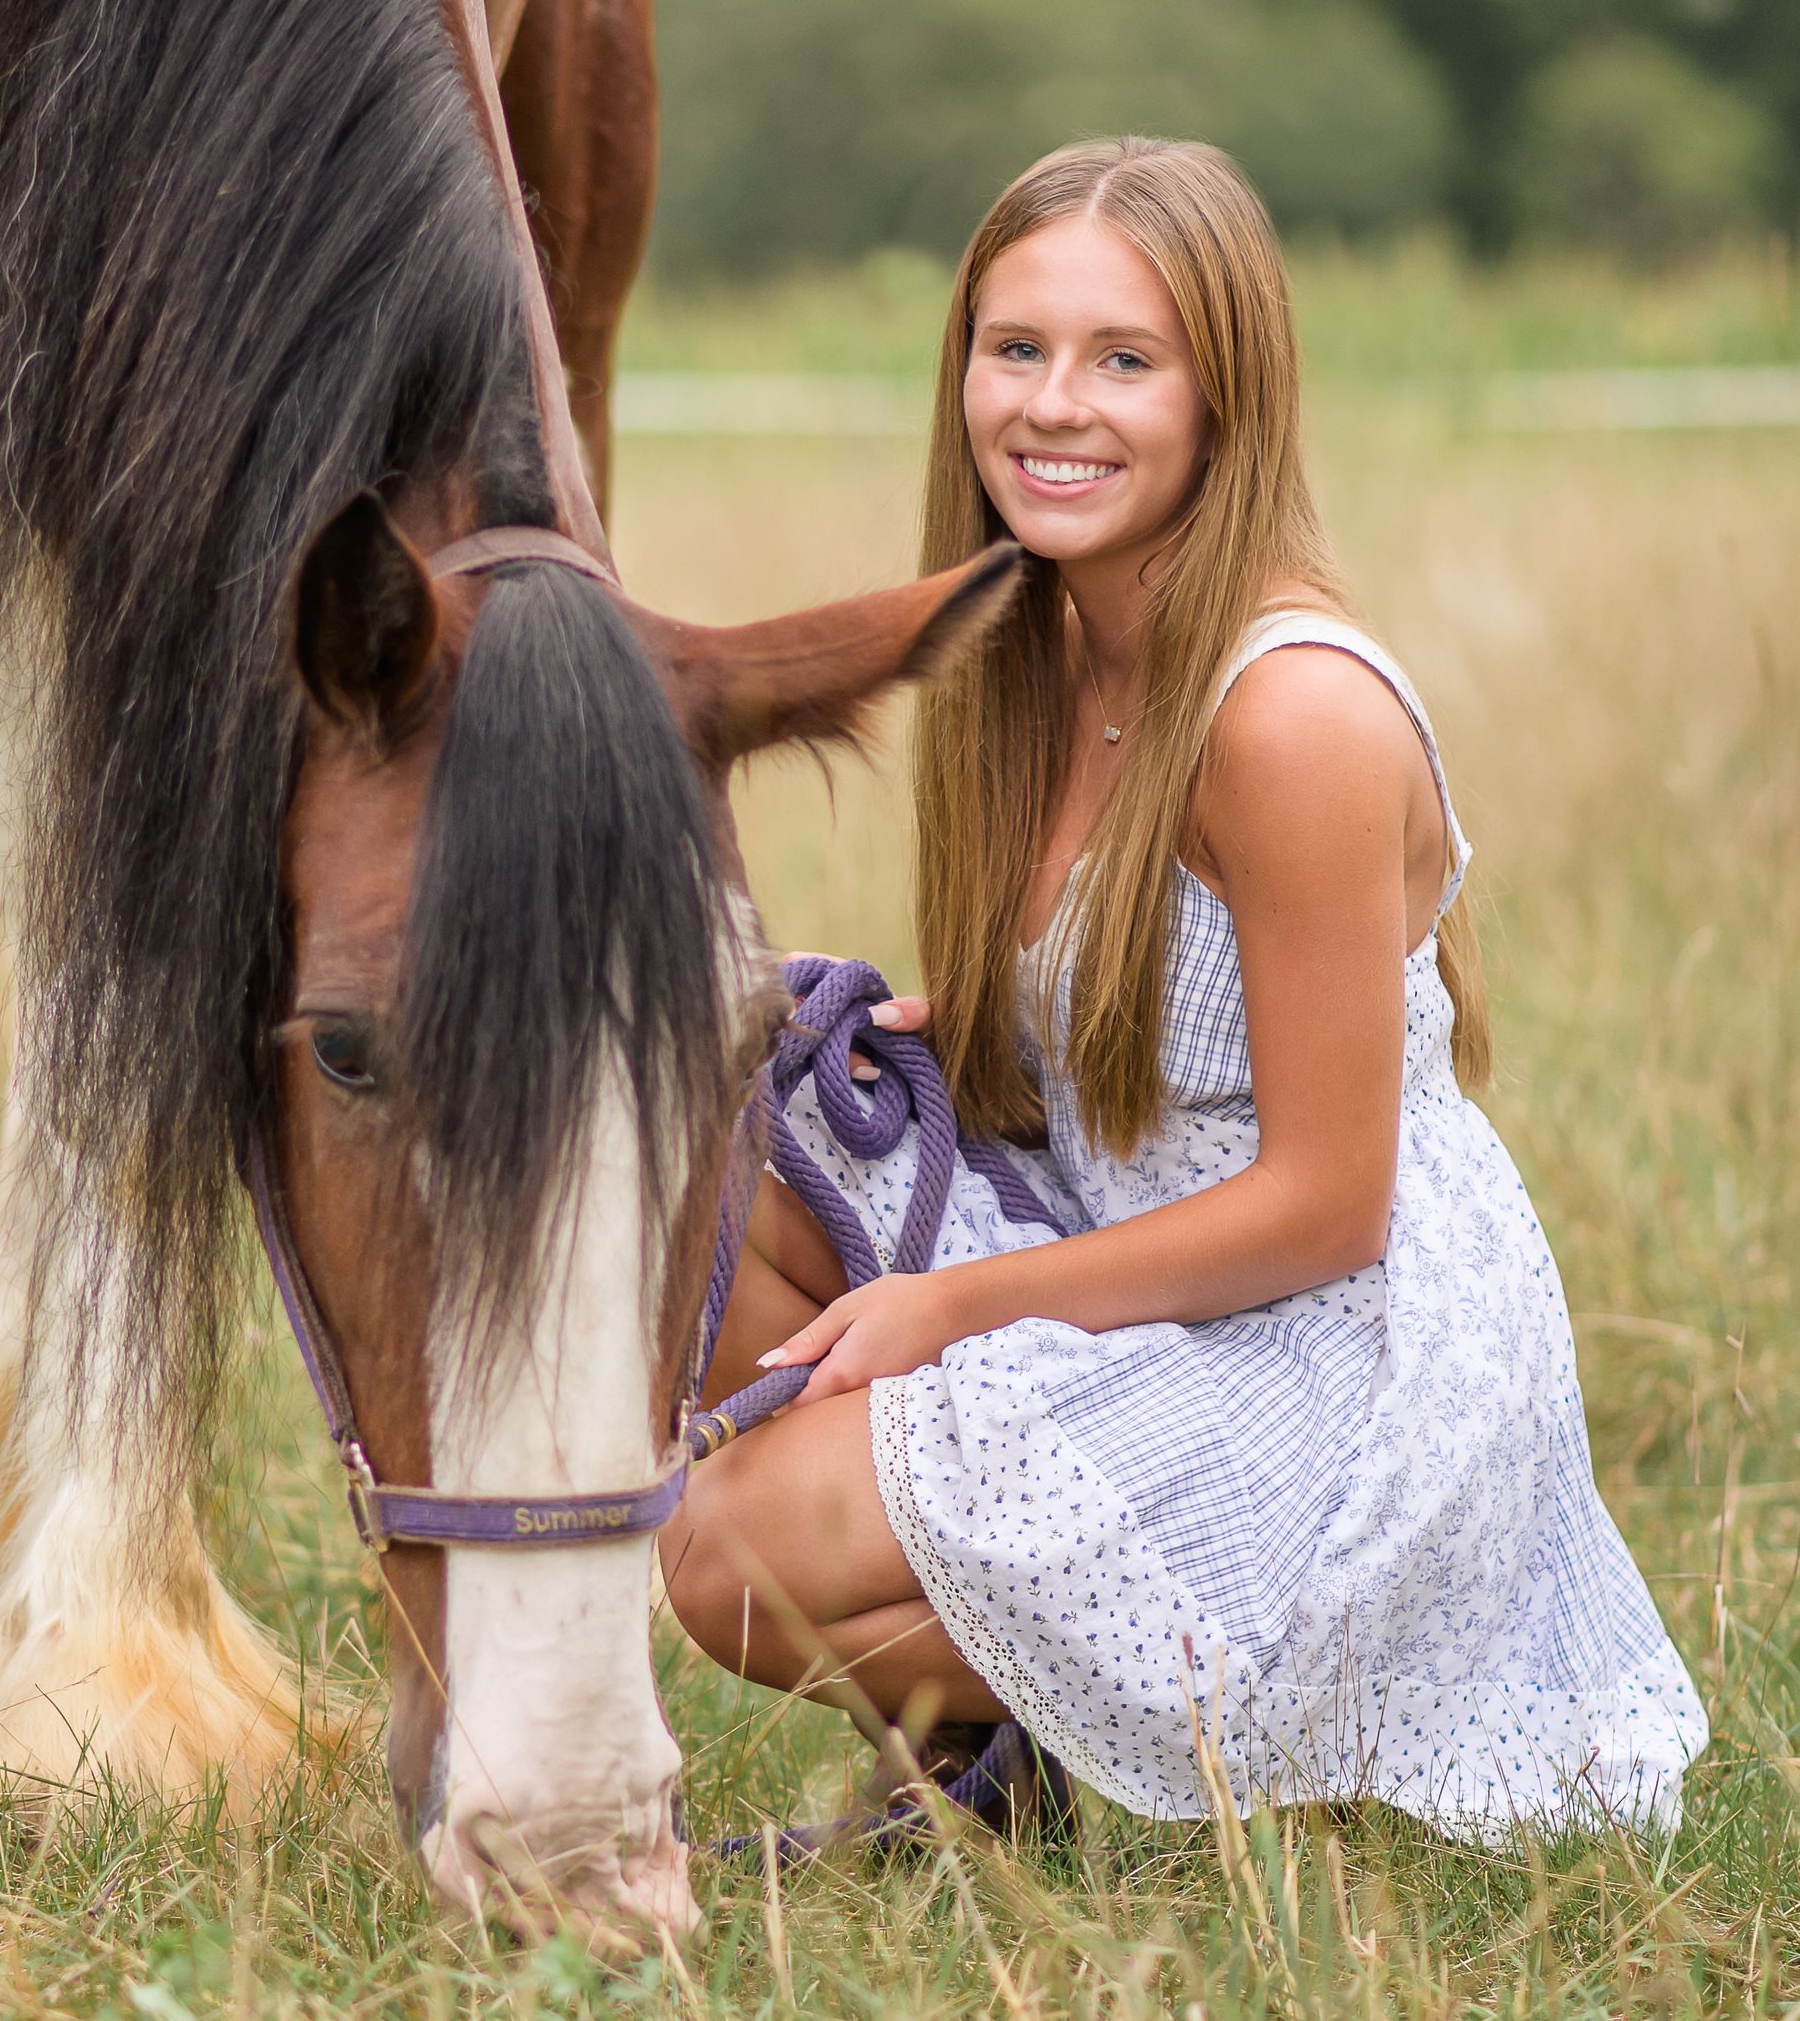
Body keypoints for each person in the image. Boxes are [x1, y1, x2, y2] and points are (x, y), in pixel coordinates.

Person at [662, 136, 1706, 1847]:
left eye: (1124, 359)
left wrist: (954, 1312)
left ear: (1226, 394)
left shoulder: (1288, 711)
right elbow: (1143, 1007)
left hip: (1330, 1346)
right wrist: (985, 1022)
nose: (1054, 405)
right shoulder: (1043, 640)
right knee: (700, 1167)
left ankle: (1145, 1742)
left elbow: (1324, 1211)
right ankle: (1037, 1740)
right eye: (1018, 349)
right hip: (1134, 1233)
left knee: (724, 1554)